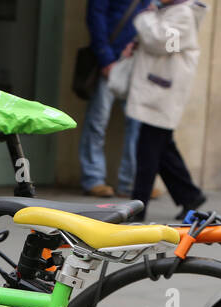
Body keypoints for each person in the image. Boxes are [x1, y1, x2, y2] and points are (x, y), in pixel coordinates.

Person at [125, 0, 207, 220]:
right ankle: (190, 195)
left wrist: (143, 18)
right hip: (159, 90)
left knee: (148, 151)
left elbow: (163, 43)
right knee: (161, 150)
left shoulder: (182, 14)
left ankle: (138, 206)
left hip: (162, 93)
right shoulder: (170, 11)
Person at [79, 0, 148, 198]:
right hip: (112, 60)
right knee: (98, 120)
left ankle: (131, 182)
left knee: (138, 125)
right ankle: (93, 179)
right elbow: (96, 16)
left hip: (141, 64)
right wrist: (105, 57)